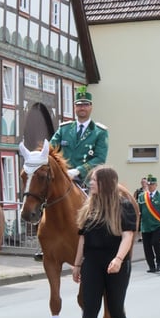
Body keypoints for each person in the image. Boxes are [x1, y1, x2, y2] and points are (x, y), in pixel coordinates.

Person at [65, 166, 136, 318]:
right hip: (92, 263)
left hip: (116, 264)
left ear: (105, 182)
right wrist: (77, 265)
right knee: (90, 307)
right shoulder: (89, 207)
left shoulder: (123, 206)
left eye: (94, 180)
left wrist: (119, 259)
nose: (91, 183)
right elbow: (82, 238)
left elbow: (127, 236)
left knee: (115, 309)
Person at [37, 86, 108, 261]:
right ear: (74, 108)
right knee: (44, 201)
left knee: (98, 210)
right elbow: (52, 150)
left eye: (85, 105)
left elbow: (100, 158)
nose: (81, 108)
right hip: (62, 178)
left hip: (86, 180)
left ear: (90, 107)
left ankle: (101, 242)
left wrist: (79, 170)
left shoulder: (99, 132)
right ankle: (45, 244)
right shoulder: (64, 129)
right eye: (78, 105)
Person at [137, 174, 160, 273]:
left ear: (156, 185)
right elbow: (140, 211)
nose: (150, 186)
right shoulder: (142, 196)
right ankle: (151, 266)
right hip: (145, 226)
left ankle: (158, 261)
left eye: (152, 184)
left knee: (155, 242)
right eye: (149, 184)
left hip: (157, 225)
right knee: (146, 247)